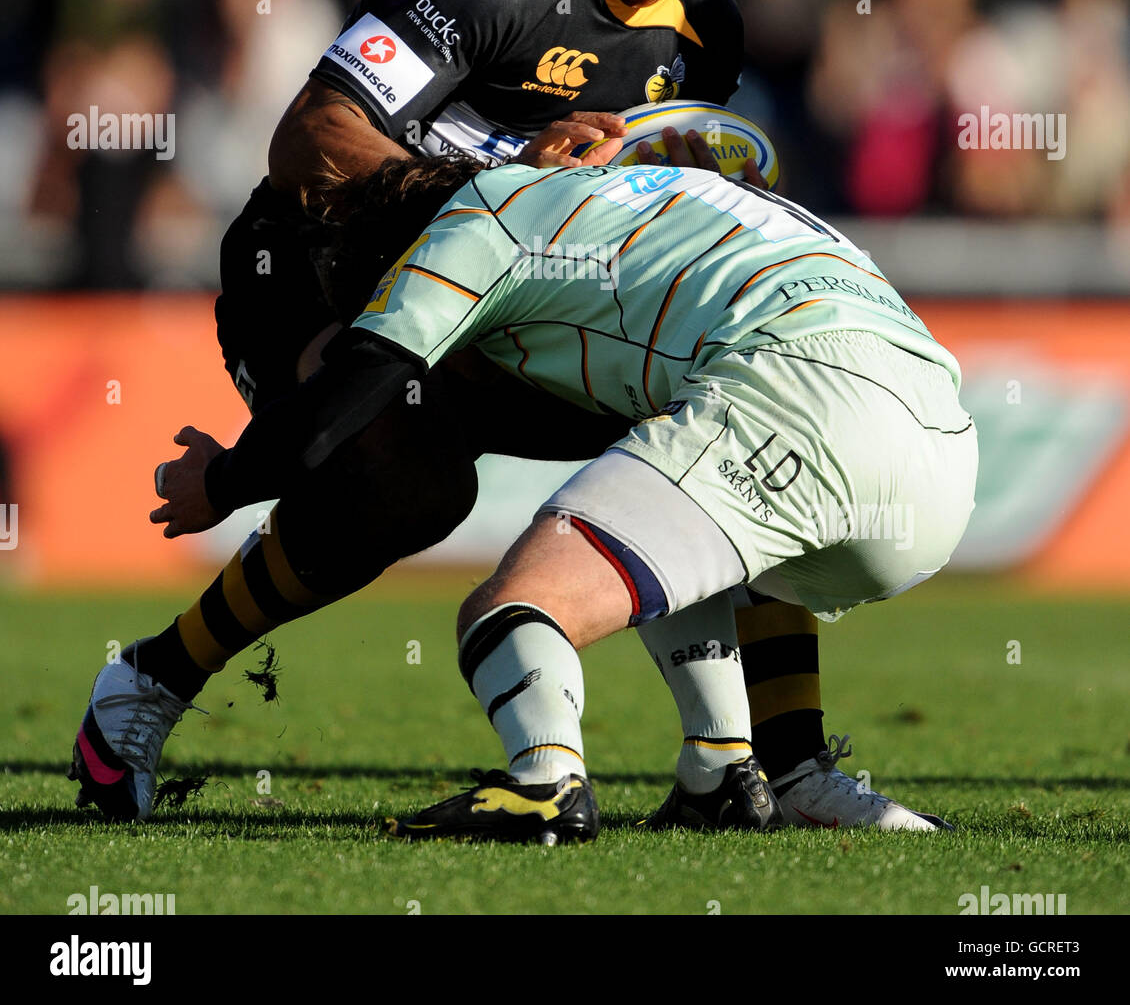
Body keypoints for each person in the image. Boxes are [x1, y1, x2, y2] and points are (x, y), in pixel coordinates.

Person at [68, 0, 942, 831]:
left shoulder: (706, 35)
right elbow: (308, 144)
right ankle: (148, 683)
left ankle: (771, 763)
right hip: (318, 269)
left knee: (723, 395)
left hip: (515, 302)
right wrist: (497, 184)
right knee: (410, 479)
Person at [144, 152, 979, 844]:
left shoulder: (473, 224)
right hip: (942, 458)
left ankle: (545, 781)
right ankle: (733, 775)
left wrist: (223, 481)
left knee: (507, 613)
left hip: (796, 390)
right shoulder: (654, 190)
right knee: (671, 497)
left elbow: (360, 379)